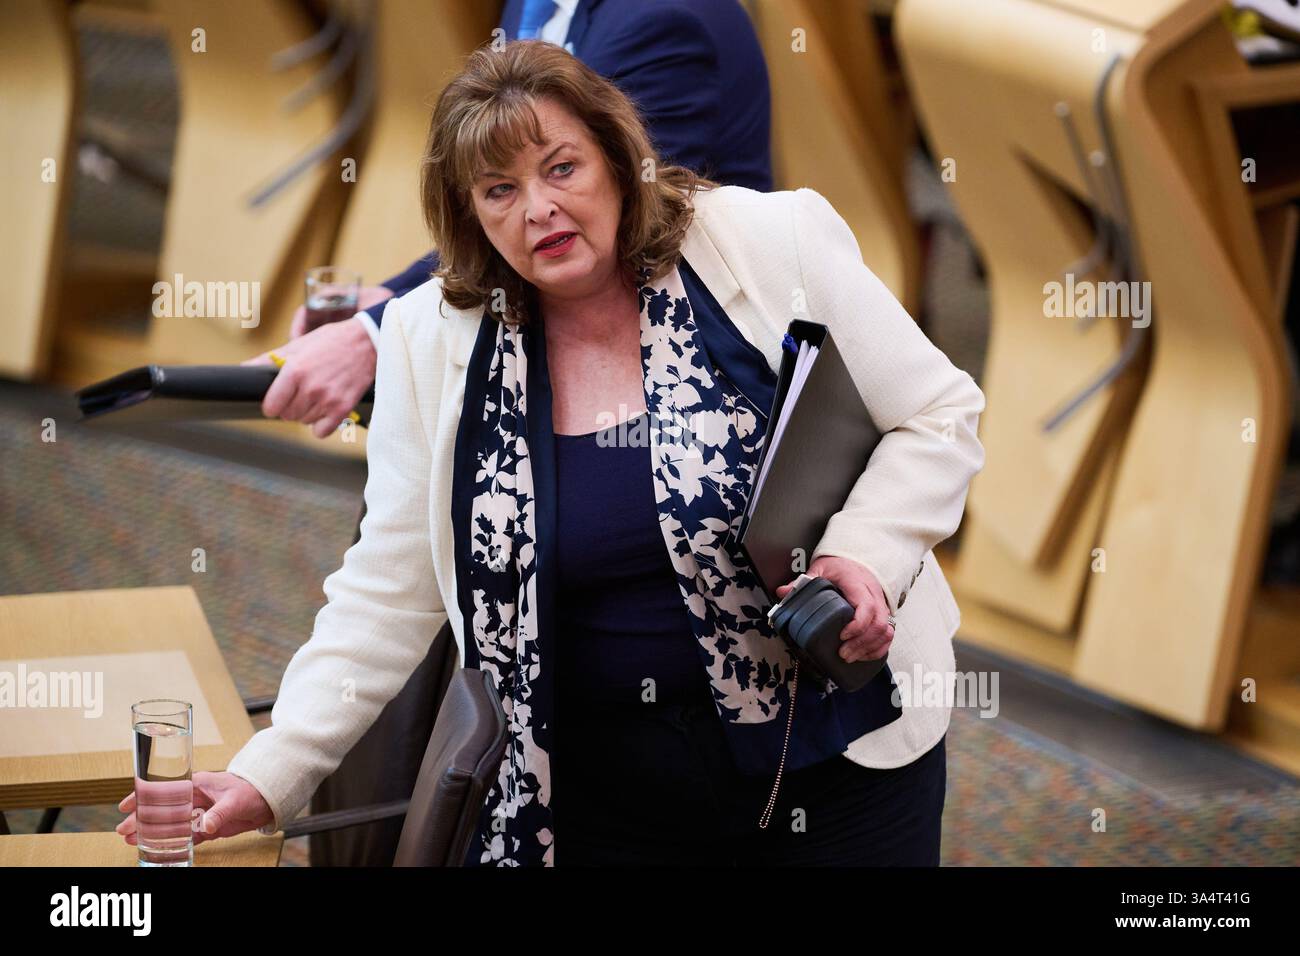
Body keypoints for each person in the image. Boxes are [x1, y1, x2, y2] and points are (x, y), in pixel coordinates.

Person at [118, 40, 986, 866]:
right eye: (498, 190)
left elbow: (938, 414)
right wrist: (267, 776)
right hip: (603, 798)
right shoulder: (430, 341)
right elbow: (386, 595)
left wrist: (862, 557)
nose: (539, 209)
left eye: (561, 168)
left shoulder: (766, 242)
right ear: (469, 216)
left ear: (616, 159)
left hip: (840, 760)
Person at [241, 0, 772, 439]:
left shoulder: (660, 19)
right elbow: (523, 199)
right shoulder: (533, 2)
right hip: (569, 343)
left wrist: (373, 337)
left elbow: (586, 222)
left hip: (690, 385)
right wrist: (389, 302)